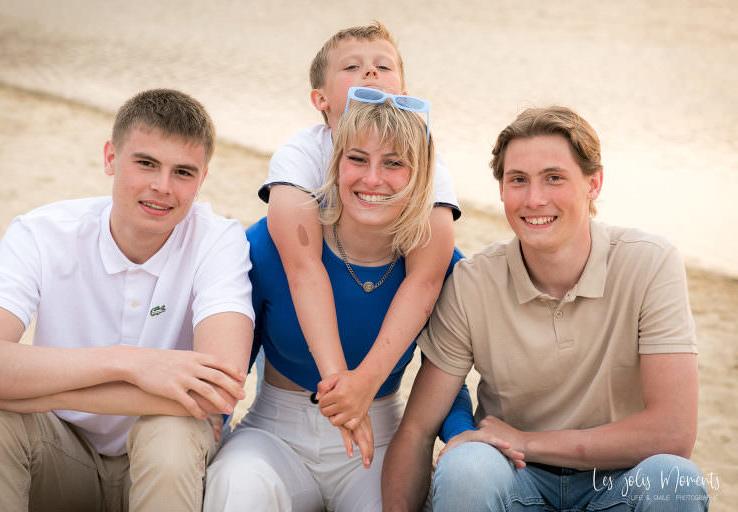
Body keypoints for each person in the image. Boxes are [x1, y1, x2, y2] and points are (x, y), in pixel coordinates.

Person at [382, 106, 710, 511]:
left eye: (553, 178)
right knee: (466, 467)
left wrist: (529, 441)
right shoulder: (472, 282)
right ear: (501, 189)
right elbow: (417, 428)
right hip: (516, 477)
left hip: (620, 478)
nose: (534, 199)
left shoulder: (650, 263)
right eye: (518, 180)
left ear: (594, 183)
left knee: (674, 479)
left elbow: (673, 433)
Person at [0, 89, 255, 512]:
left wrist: (42, 395)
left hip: (162, 462)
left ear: (202, 178)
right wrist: (129, 362)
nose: (162, 187)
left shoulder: (219, 240)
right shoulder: (41, 232)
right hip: (61, 456)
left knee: (171, 440)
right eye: (146, 164)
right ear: (109, 158)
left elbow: (219, 392)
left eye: (183, 172)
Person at [205, 96, 464, 511]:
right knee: (235, 485)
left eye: (395, 164)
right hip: (274, 433)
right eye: (357, 159)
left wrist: (461, 434)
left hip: (376, 441)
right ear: (335, 163)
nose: (373, 179)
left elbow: (450, 371)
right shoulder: (270, 245)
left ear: (422, 177)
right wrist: (208, 433)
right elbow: (231, 359)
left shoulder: (441, 265)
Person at [259, 21, 460, 436]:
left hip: (379, 390)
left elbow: (425, 277)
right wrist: (339, 385)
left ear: (402, 94)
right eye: (352, 66)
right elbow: (302, 266)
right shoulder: (303, 154)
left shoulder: (427, 161)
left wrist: (365, 382)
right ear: (321, 99)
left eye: (383, 67)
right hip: (301, 338)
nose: (370, 73)